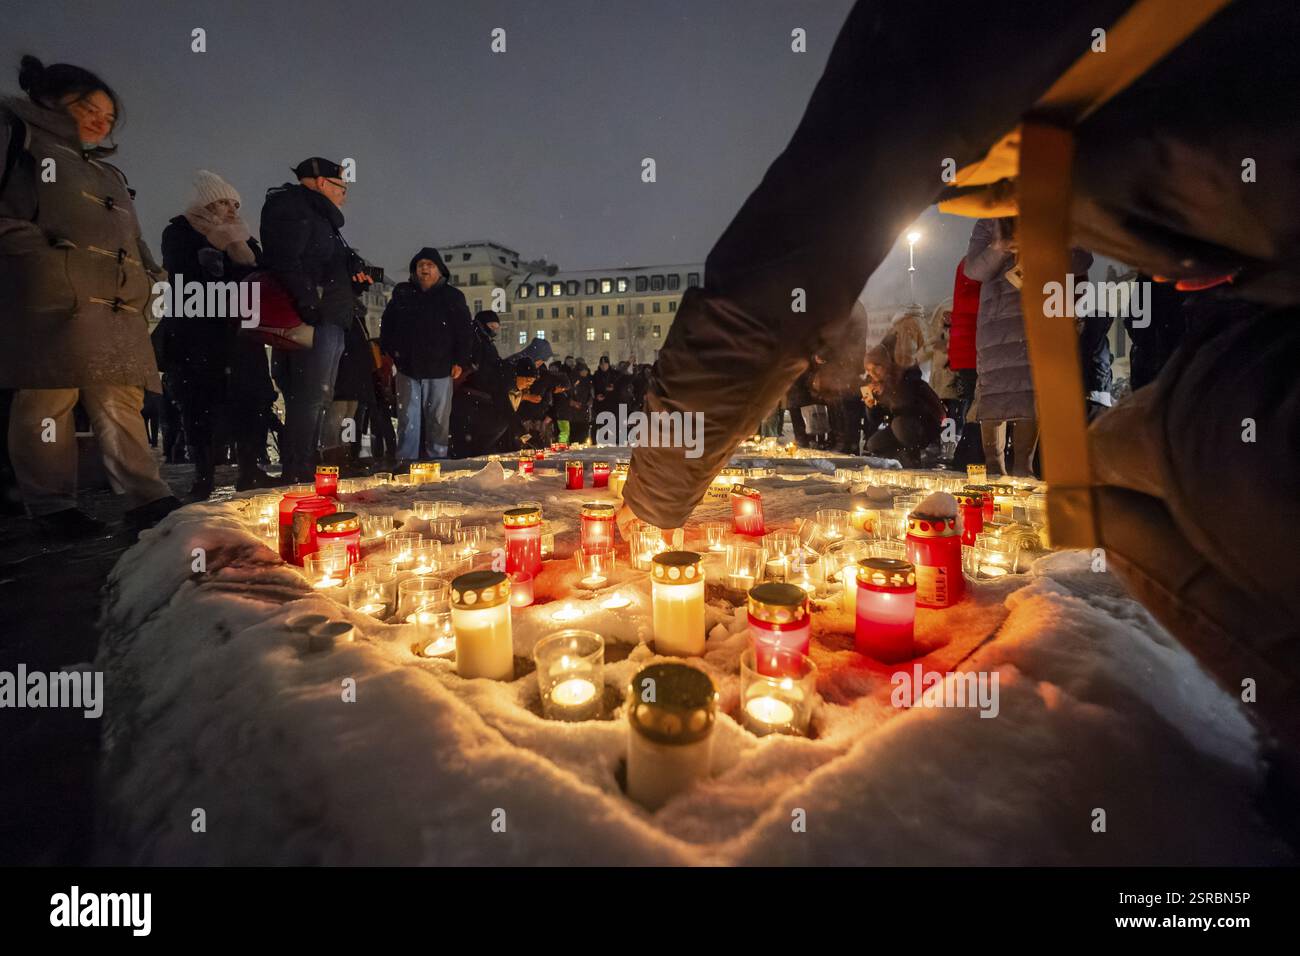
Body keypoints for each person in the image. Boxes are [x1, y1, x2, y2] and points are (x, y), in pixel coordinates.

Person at [615, 0, 1300, 793]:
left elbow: (773, 277)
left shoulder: (930, 35)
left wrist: (657, 491)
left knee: (1135, 463)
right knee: (1119, 458)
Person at [0, 56, 180, 537]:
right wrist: (44, 261)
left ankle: (147, 496)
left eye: (108, 115)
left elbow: (127, 234)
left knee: (120, 396)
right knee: (48, 396)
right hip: (52, 294)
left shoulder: (108, 174)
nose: (101, 122)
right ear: (50, 102)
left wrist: (148, 272)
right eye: (88, 109)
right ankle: (51, 505)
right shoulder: (22, 141)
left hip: (115, 302)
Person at [159, 170, 276, 498]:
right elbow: (182, 273)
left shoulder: (247, 240)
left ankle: (250, 469)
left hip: (241, 333)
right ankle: (204, 475)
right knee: (200, 405)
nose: (230, 208)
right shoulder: (181, 231)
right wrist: (214, 252)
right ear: (205, 203)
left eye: (234, 202)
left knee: (253, 399)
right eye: (222, 201)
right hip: (197, 331)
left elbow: (260, 277)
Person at [261, 157, 371, 482]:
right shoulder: (294, 208)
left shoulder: (322, 219)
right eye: (342, 187)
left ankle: (304, 467)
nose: (344, 196)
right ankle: (298, 472)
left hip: (329, 318)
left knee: (318, 396)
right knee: (308, 397)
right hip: (312, 320)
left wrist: (353, 277)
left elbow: (321, 267)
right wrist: (310, 305)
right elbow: (286, 261)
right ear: (322, 182)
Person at [965, 217, 1092, 477]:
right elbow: (973, 270)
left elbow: (1080, 261)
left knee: (1031, 395)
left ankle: (1024, 474)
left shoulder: (1052, 212)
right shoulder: (989, 222)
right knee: (994, 395)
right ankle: (994, 479)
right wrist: (1000, 246)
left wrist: (1043, 243)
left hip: (1039, 323)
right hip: (996, 329)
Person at [378, 248, 471, 463]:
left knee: (438, 419)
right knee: (407, 419)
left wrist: (460, 360)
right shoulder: (402, 293)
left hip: (440, 367)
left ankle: (437, 460)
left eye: (430, 265)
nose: (424, 269)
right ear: (414, 270)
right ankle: (405, 461)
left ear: (440, 270)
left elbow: (464, 331)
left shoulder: (452, 296)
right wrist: (390, 352)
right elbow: (388, 324)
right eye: (421, 265)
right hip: (407, 366)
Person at [862, 345, 945, 467]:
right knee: (874, 443)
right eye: (868, 370)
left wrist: (886, 393)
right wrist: (871, 406)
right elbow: (876, 420)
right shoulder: (877, 384)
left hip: (926, 425)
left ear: (886, 365)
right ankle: (902, 458)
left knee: (899, 424)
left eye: (876, 368)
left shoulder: (905, 376)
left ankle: (917, 457)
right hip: (903, 429)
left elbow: (906, 407)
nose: (872, 373)